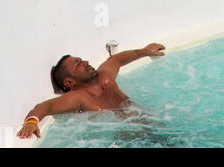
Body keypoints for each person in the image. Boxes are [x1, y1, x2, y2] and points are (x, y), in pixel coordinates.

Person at [17, 43, 166, 139]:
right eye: (78, 64)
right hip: (133, 139)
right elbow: (46, 106)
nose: (86, 62)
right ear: (70, 82)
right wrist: (31, 122)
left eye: (82, 60)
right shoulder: (79, 97)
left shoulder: (105, 79)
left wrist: (145, 51)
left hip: (156, 127)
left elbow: (116, 60)